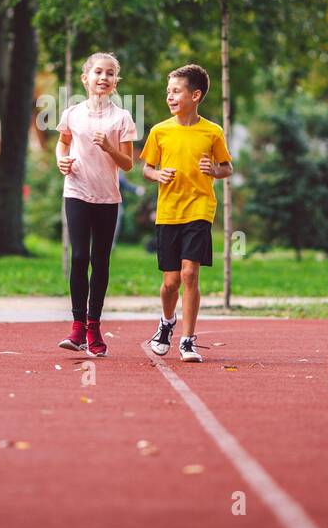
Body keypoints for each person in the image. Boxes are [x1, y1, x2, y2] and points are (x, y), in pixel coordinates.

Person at [141, 64, 233, 363]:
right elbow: (146, 168)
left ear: (195, 95)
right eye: (168, 91)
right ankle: (167, 323)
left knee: (190, 274)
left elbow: (227, 167)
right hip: (169, 212)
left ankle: (188, 340)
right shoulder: (160, 131)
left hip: (200, 208)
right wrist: (157, 176)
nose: (170, 96)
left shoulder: (212, 131)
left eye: (176, 91)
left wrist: (215, 170)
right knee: (171, 282)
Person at [54, 53, 138, 357]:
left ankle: (94, 325)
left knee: (100, 261)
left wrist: (108, 147)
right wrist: (60, 160)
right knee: (79, 257)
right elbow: (63, 142)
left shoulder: (122, 118)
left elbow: (128, 164)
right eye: (98, 72)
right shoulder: (73, 113)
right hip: (76, 190)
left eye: (110, 73)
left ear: (116, 82)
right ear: (85, 78)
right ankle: (77, 327)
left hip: (107, 197)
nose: (104, 77)